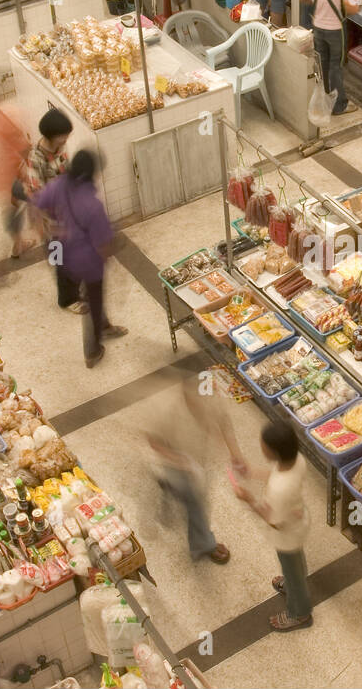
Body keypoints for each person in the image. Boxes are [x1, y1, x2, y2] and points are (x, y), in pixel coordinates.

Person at [29, 150, 128, 368]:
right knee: (92, 299)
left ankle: (104, 325)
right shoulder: (92, 205)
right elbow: (103, 244)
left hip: (61, 253)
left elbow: (37, 204)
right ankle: (92, 351)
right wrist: (111, 259)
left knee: (90, 296)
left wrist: (48, 228)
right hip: (87, 261)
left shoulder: (58, 185)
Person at [145, 370, 233, 565]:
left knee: (188, 493)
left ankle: (168, 490)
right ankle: (203, 544)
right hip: (172, 461)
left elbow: (222, 418)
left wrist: (235, 453)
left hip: (196, 457)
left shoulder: (207, 391)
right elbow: (154, 443)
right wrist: (182, 461)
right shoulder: (165, 408)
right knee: (196, 501)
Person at [232, 419, 312, 631]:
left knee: (291, 567)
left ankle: (300, 612)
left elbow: (273, 521)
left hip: (286, 535)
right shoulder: (296, 461)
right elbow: (275, 475)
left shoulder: (279, 491)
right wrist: (252, 473)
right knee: (295, 563)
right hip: (298, 521)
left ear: (275, 451)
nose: (261, 447)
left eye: (263, 446)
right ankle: (295, 579)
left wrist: (248, 499)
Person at [301, 0, 355, 120]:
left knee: (322, 66)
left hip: (318, 29)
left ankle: (325, 99)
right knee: (335, 68)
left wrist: (318, 1)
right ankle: (340, 105)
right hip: (335, 32)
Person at [11, 107, 71, 259]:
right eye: (63, 135)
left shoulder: (60, 147)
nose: (66, 138)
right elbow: (38, 197)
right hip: (53, 220)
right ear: (51, 135)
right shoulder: (36, 159)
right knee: (59, 259)